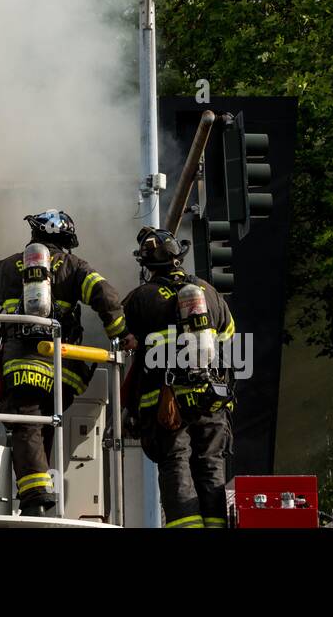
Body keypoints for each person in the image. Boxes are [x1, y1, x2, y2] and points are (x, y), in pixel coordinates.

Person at [0, 210, 129, 516]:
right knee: (45, 424)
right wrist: (121, 334)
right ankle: (40, 491)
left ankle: (35, 498)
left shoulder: (8, 266)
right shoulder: (73, 266)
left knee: (26, 426)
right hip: (62, 372)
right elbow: (104, 294)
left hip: (21, 365)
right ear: (66, 240)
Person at [122, 226, 236, 528]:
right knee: (211, 464)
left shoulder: (140, 298)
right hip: (212, 399)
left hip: (167, 403)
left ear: (147, 265)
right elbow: (227, 335)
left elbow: (123, 339)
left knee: (175, 463)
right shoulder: (209, 292)